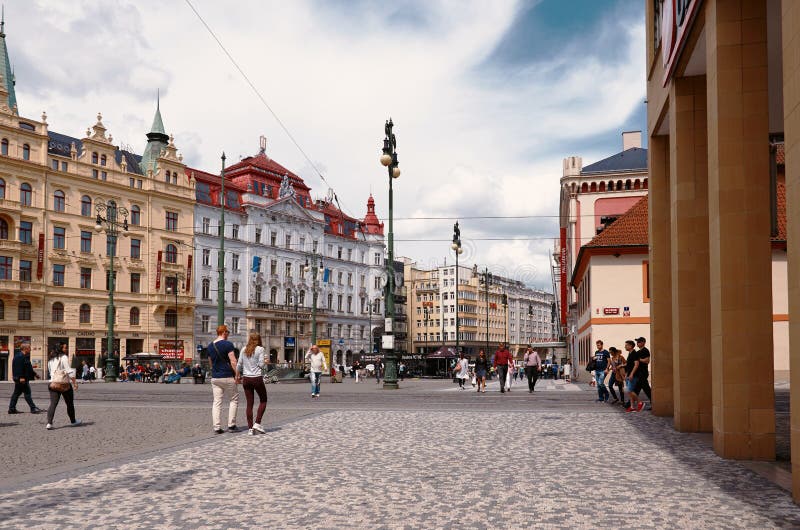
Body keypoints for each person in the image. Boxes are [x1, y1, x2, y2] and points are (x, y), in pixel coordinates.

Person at [207, 325, 239, 434]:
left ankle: (217, 427)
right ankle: (231, 425)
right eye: (228, 332)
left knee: (217, 402)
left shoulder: (210, 346)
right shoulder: (228, 344)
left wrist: (214, 369)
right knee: (233, 399)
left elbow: (210, 362)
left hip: (215, 377)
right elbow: (233, 361)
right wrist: (237, 374)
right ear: (224, 332)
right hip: (227, 376)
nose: (228, 334)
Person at [237, 332, 268, 435]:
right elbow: (261, 365)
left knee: (249, 404)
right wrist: (265, 362)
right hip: (256, 378)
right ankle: (257, 423)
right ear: (259, 340)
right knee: (263, 400)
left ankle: (250, 429)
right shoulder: (260, 349)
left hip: (246, 379)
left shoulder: (243, 349)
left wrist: (237, 375)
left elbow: (239, 364)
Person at [46, 346, 81, 430]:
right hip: (64, 384)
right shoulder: (64, 357)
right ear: (60, 349)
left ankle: (49, 423)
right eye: (65, 348)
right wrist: (74, 382)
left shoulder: (51, 359)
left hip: (53, 384)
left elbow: (51, 372)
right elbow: (69, 371)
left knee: (53, 404)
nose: (66, 349)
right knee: (69, 403)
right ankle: (73, 421)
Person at [8, 342, 44, 414]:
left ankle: (12, 408)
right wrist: (21, 377)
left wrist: (35, 374)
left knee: (16, 393)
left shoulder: (24, 356)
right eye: (29, 348)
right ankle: (33, 408)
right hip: (21, 379)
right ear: (25, 349)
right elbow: (18, 368)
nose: (30, 349)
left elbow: (28, 368)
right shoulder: (19, 356)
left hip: (23, 378)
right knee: (27, 393)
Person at [635, 337, 653, 408]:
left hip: (643, 373)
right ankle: (629, 404)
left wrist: (639, 359)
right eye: (637, 342)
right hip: (639, 373)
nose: (637, 343)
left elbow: (647, 361)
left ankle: (629, 404)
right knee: (638, 389)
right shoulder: (638, 352)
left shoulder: (645, 350)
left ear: (643, 342)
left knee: (645, 390)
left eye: (639, 342)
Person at [623, 340, 640, 412]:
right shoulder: (630, 354)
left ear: (630, 346)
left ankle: (640, 402)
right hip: (629, 375)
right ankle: (632, 406)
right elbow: (629, 366)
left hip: (633, 375)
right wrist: (626, 375)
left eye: (626, 345)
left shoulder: (634, 353)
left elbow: (636, 364)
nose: (625, 346)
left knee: (629, 391)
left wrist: (631, 374)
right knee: (630, 392)